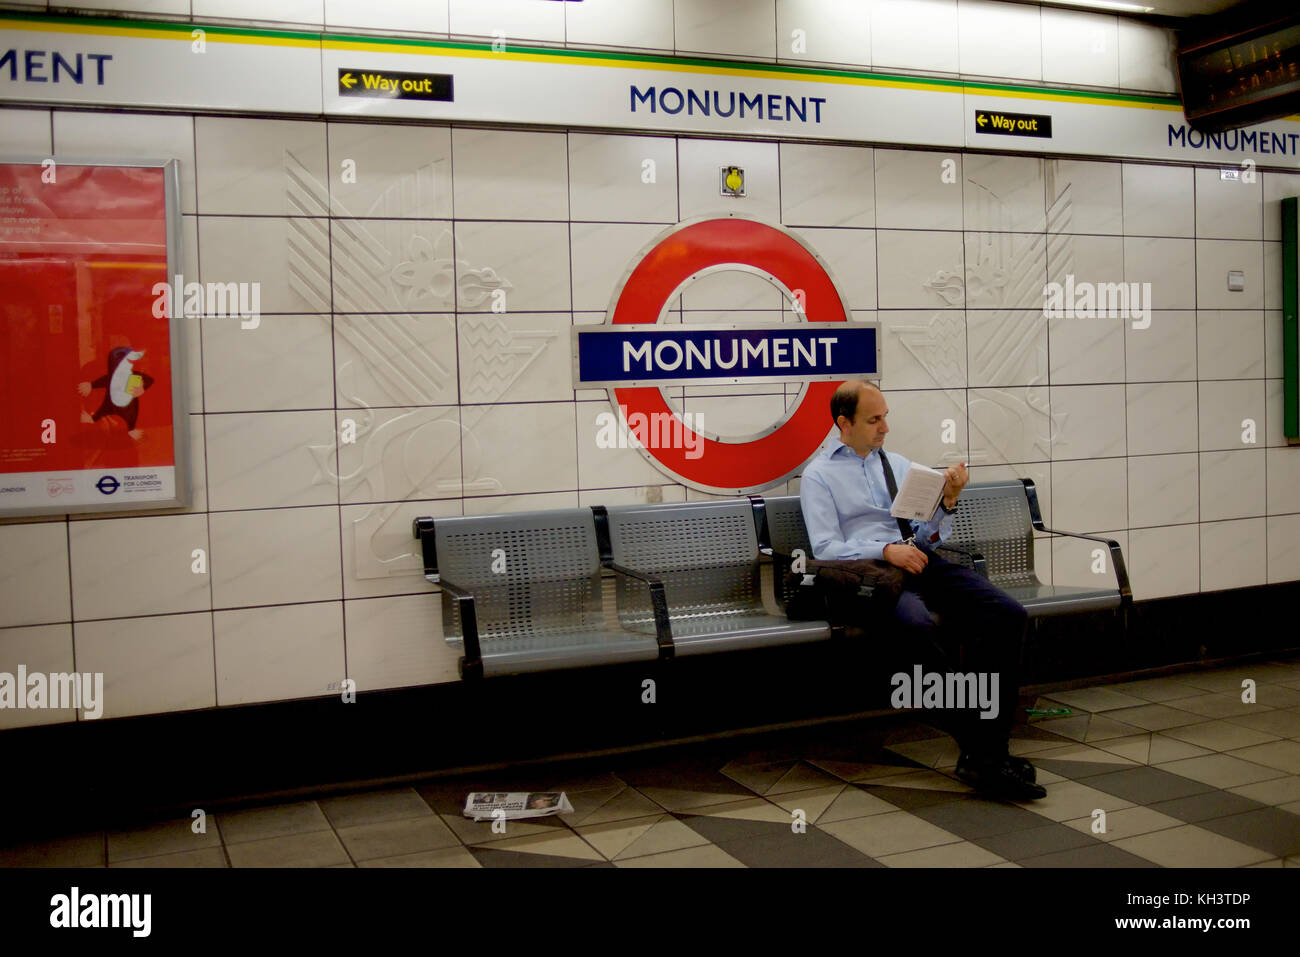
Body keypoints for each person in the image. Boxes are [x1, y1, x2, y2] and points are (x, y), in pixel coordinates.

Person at [799, 379, 1046, 801]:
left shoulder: (896, 465)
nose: (884, 428)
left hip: (917, 562)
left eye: (885, 418)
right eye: (874, 420)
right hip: (868, 578)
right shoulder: (819, 475)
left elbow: (926, 536)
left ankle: (986, 751)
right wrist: (885, 549)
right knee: (915, 630)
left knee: (1006, 614)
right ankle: (985, 753)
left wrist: (947, 502)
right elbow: (825, 548)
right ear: (844, 423)